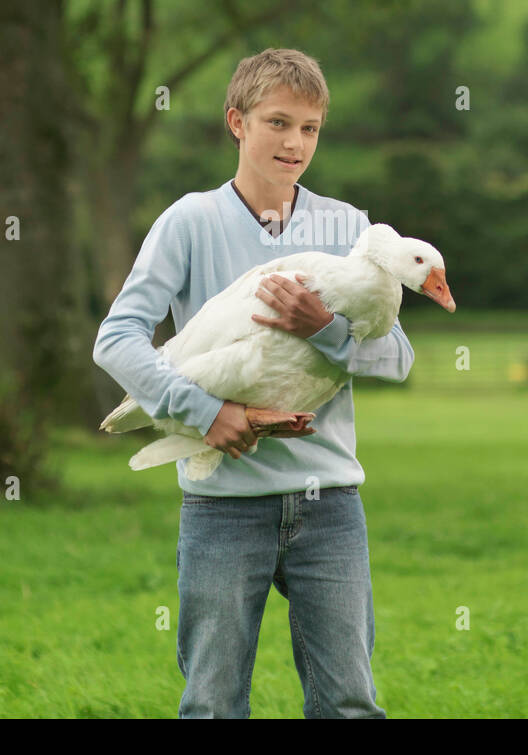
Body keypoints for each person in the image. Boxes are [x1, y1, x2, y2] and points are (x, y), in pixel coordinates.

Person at [93, 47, 413, 718]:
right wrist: (205, 411)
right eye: (277, 122)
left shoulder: (352, 230)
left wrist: (327, 326)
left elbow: (397, 359)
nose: (295, 142)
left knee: (350, 703)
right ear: (237, 122)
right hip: (223, 506)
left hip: (329, 504)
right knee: (211, 704)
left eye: (310, 127)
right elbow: (116, 339)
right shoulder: (190, 222)